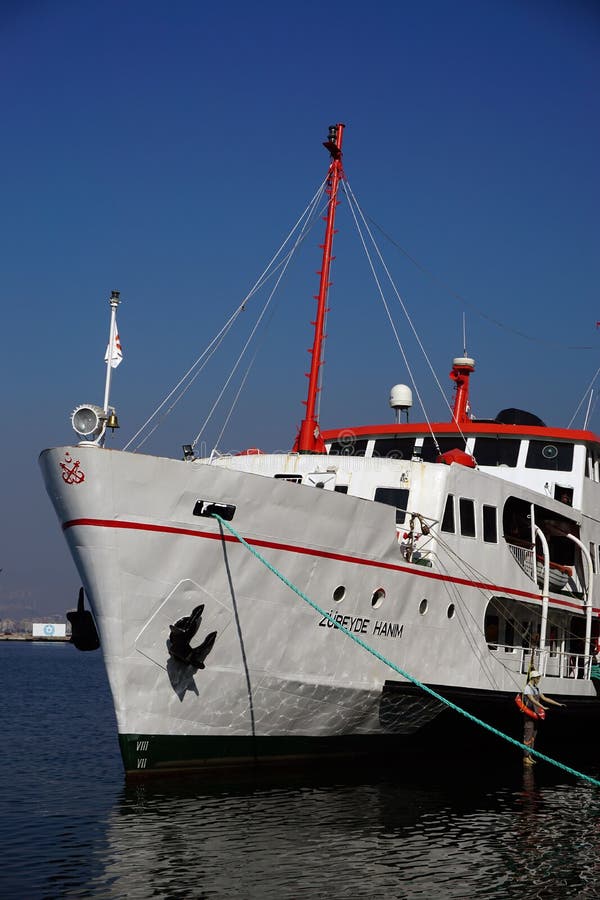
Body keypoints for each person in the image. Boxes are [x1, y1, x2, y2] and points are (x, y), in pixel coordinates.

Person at [522, 670, 566, 765]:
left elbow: (545, 698)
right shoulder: (527, 688)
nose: (539, 679)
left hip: (536, 715)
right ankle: (525, 757)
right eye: (538, 678)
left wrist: (559, 704)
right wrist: (543, 707)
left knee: (533, 736)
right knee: (528, 736)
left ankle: (530, 755)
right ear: (533, 678)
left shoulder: (536, 688)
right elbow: (532, 700)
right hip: (529, 716)